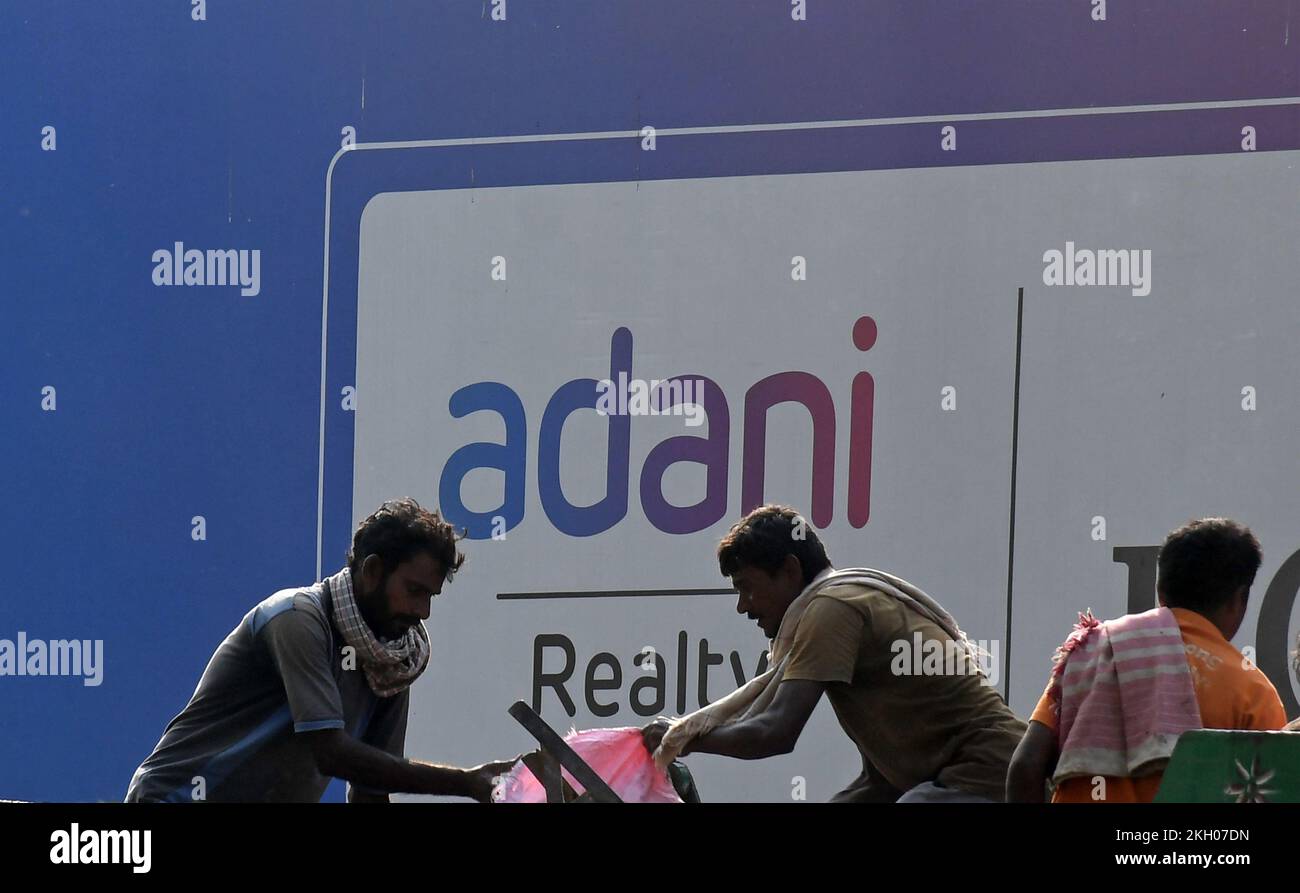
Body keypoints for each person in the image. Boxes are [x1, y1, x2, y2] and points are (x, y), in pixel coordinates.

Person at [125, 498, 516, 802]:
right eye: (414, 591)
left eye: (431, 596)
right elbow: (331, 753)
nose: (423, 611)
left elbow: (371, 792)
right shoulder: (295, 619)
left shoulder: (395, 661)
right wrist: (467, 782)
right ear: (372, 571)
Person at [641, 504, 1026, 802]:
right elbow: (880, 782)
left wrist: (681, 737)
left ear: (789, 571)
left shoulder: (832, 608)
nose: (743, 606)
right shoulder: (847, 600)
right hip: (982, 777)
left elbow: (775, 732)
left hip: (986, 775)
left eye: (747, 587)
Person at [1006, 517, 1288, 803]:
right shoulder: (1253, 692)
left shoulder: (1092, 650)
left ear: (1160, 591)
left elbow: (1025, 766)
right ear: (1239, 599)